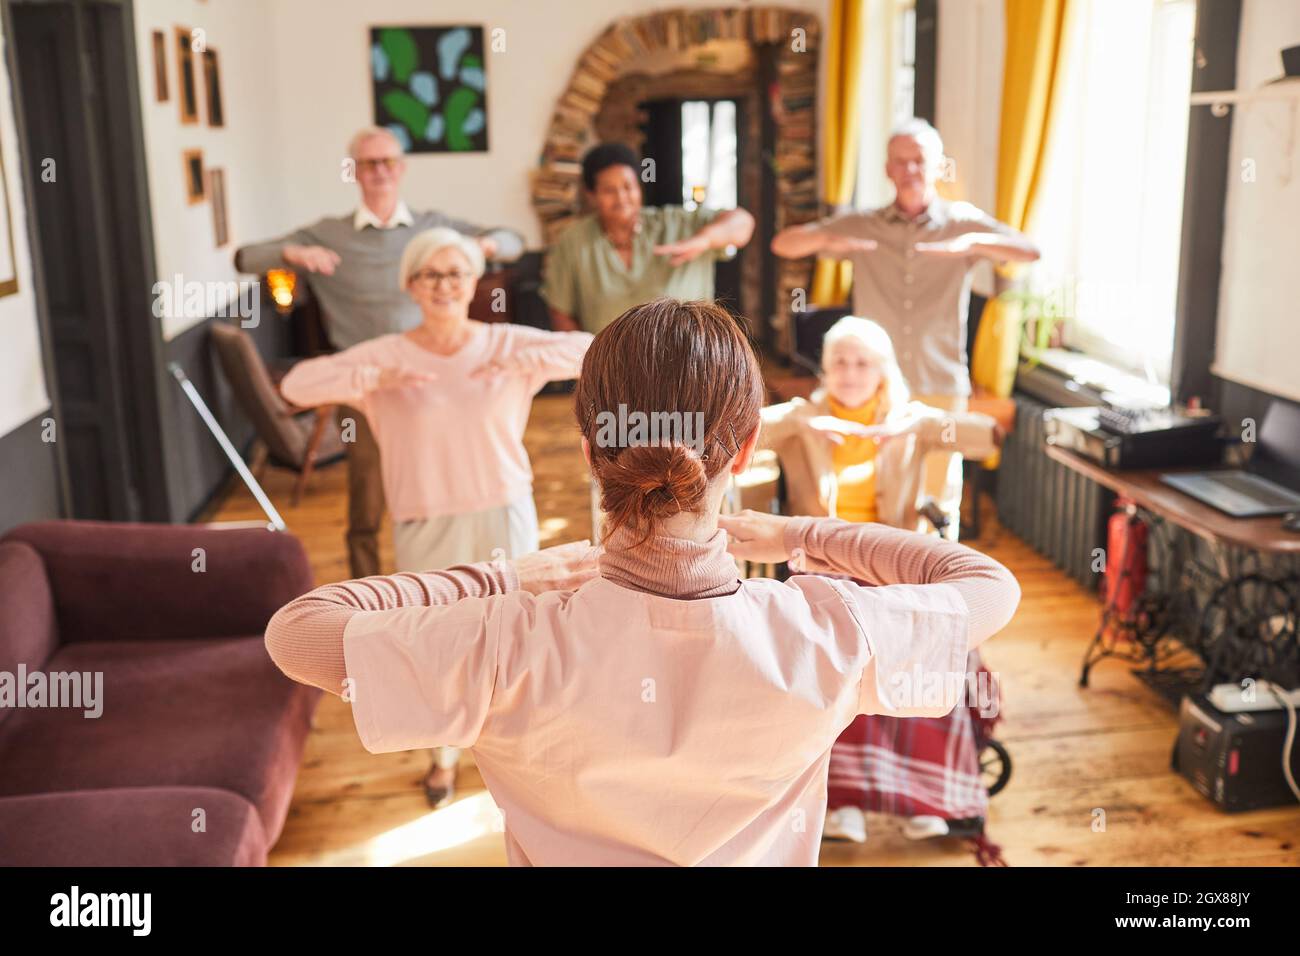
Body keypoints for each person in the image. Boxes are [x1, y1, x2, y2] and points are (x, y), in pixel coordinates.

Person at [265, 297, 1021, 866]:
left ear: (592, 448)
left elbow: (298, 632)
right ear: (750, 445)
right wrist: (802, 534)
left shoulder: (506, 641)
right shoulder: (825, 633)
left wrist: (502, 578)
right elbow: (984, 583)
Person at [279, 227, 592, 809]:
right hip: (425, 521)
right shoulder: (387, 354)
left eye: (456, 274)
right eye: (431, 275)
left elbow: (595, 348)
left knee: (521, 636)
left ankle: (523, 749)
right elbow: (297, 385)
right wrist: (375, 379)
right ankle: (442, 756)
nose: (444, 285)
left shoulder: (502, 343)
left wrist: (531, 357)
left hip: (504, 512)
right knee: (437, 647)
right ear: (411, 284)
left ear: (474, 281)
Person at [755, 315, 1003, 849]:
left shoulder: (910, 416)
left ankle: (922, 799)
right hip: (823, 571)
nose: (850, 373)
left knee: (924, 666)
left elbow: (987, 438)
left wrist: (911, 429)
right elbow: (736, 437)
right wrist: (804, 428)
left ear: (883, 370)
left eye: (863, 363)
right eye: (839, 362)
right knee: (844, 670)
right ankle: (843, 801)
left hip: (894, 571)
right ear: (824, 368)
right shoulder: (804, 416)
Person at [235, 126, 525, 579]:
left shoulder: (434, 228)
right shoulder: (329, 234)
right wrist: (293, 252)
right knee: (366, 505)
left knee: (446, 492)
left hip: (436, 381)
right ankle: (369, 595)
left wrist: (480, 248)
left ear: (402, 168)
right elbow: (246, 257)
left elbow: (514, 240)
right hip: (365, 389)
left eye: (388, 162)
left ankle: (458, 585)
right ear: (354, 170)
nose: (380, 172)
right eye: (369, 163)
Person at [771, 118, 1038, 540]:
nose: (911, 170)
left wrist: (970, 246)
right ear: (888, 169)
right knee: (886, 500)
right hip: (873, 391)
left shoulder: (961, 223)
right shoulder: (864, 224)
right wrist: (833, 245)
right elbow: (783, 244)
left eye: (919, 161)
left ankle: (937, 598)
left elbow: (1030, 251)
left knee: (936, 503)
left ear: (939, 167)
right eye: (901, 161)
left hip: (941, 382)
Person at [540, 143, 756, 334]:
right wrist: (586, 364)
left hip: (689, 363)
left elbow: (743, 223)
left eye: (628, 186)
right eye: (609, 190)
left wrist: (704, 240)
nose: (621, 197)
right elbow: (561, 312)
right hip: (611, 371)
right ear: (591, 195)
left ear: (639, 187)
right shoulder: (574, 241)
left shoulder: (679, 224)